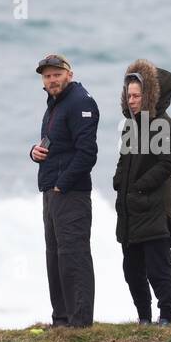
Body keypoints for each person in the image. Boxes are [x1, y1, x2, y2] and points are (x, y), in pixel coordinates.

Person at [29, 53, 99, 327]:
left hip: (71, 193)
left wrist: (62, 184)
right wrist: (33, 152)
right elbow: (55, 146)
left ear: (69, 74)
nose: (52, 79)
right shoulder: (55, 104)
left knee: (74, 255)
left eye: (57, 74)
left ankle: (79, 323)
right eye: (47, 76)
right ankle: (61, 320)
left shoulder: (81, 102)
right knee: (55, 255)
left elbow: (88, 154)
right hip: (52, 191)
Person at [113, 59, 171, 325]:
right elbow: (123, 160)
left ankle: (165, 317)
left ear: (149, 94)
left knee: (158, 269)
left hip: (154, 210)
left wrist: (140, 186)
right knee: (132, 271)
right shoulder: (130, 125)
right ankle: (144, 319)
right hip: (130, 212)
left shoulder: (162, 123)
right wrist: (118, 180)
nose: (132, 100)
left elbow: (170, 163)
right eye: (129, 95)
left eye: (137, 95)